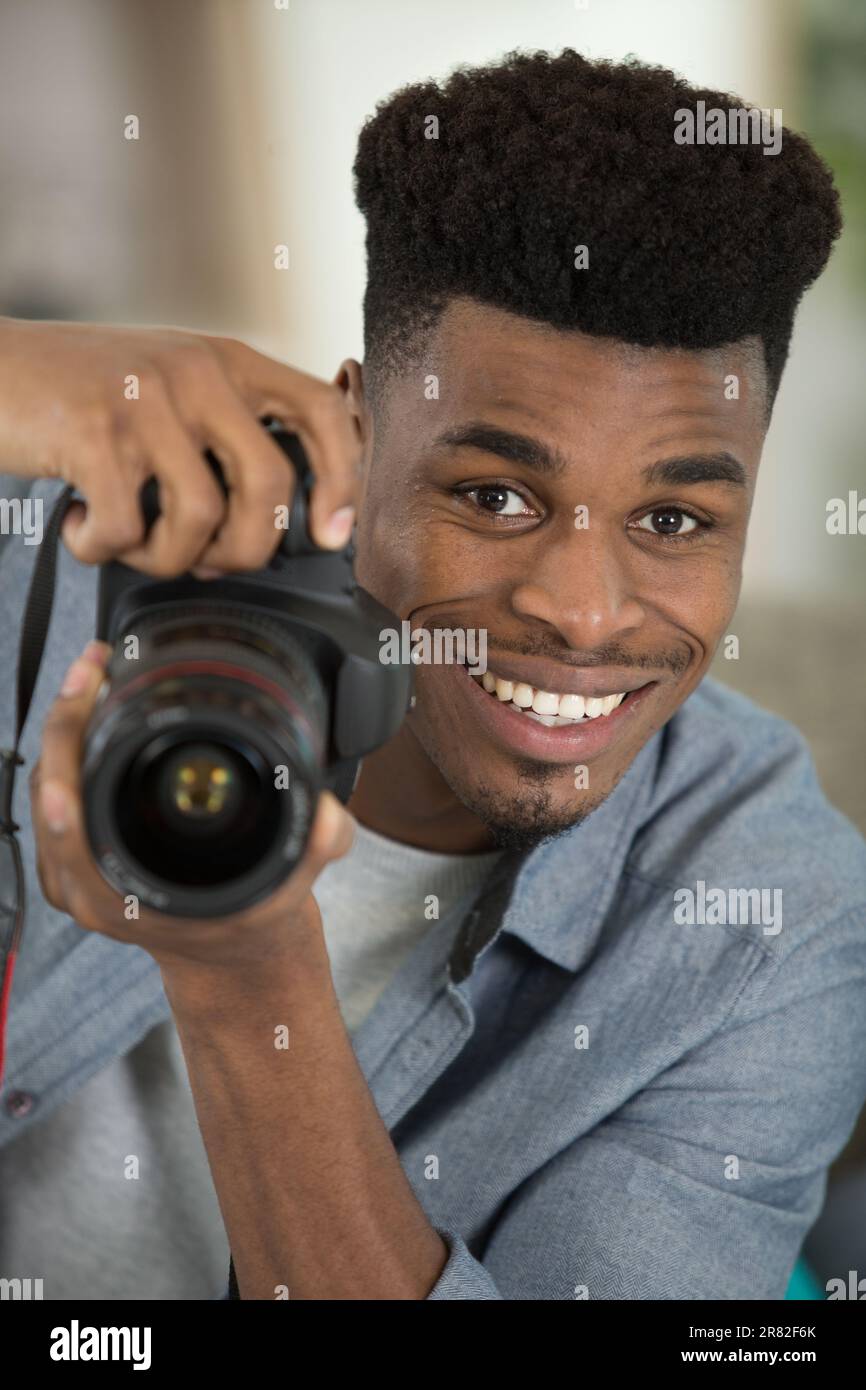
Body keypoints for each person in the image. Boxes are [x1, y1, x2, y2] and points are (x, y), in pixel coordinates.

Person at [0, 49, 863, 1301]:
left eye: (672, 521)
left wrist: (249, 989)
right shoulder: (64, 553)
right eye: (494, 494)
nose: (579, 612)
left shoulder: (770, 929)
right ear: (356, 439)